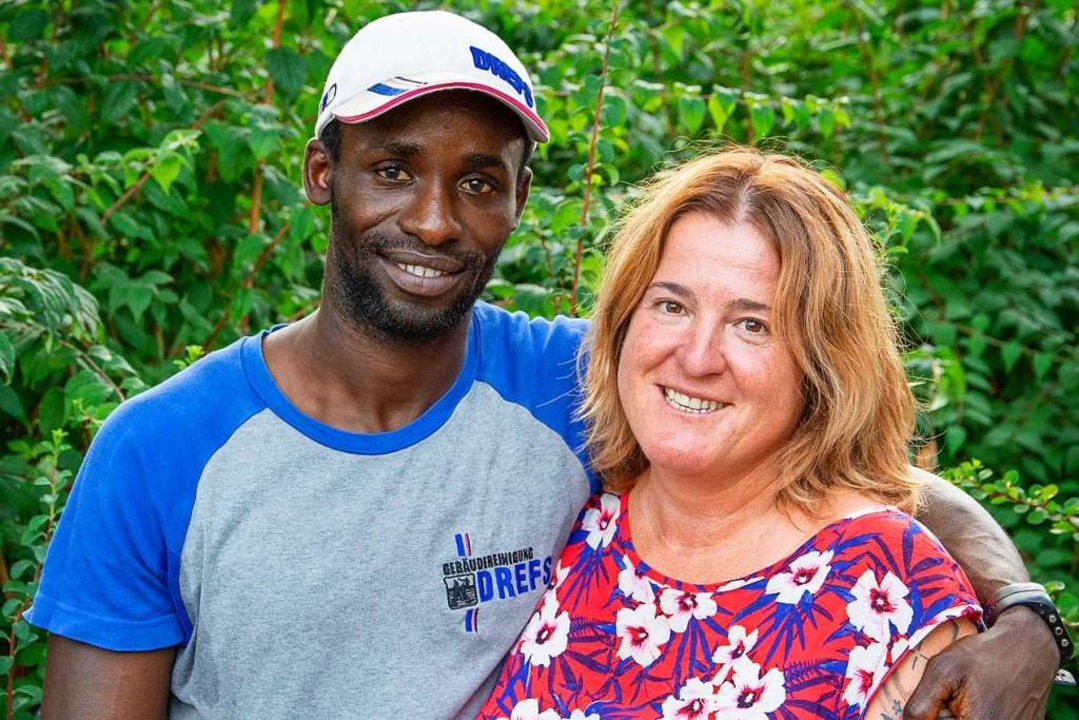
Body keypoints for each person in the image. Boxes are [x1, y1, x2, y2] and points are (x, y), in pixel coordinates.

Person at [24, 9, 1066, 720]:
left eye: (479, 182)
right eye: (391, 170)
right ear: (319, 174)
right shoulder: (159, 455)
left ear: (518, 201)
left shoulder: (578, 390)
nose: (433, 221)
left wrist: (1026, 620)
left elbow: (870, 488)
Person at [477, 149, 1064, 719]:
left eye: (752, 324)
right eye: (671, 306)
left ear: (822, 363)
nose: (698, 356)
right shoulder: (574, 513)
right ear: (622, 323)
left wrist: (1027, 614)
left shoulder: (884, 588)